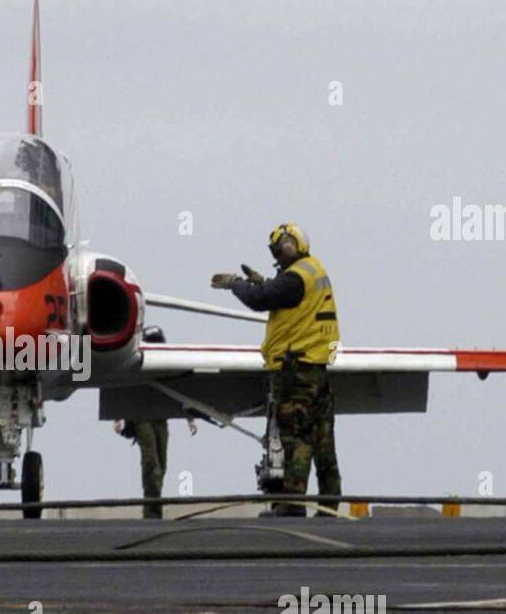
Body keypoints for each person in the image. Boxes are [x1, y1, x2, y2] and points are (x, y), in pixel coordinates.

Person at [212, 222, 340, 516]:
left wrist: (236, 284)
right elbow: (282, 295)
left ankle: (291, 503)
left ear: (290, 245)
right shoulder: (313, 270)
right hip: (316, 368)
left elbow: (261, 300)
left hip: (294, 371)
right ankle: (330, 504)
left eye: (279, 251)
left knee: (295, 437)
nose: (278, 257)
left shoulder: (296, 278)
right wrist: (264, 281)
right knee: (323, 437)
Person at [114, 326, 197, 518]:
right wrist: (118, 416)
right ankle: (152, 512)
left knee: (161, 465)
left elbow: (177, 392)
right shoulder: (135, 364)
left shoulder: (166, 367)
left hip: (160, 419)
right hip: (141, 417)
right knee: (152, 465)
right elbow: (122, 387)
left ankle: (153, 508)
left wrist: (189, 417)